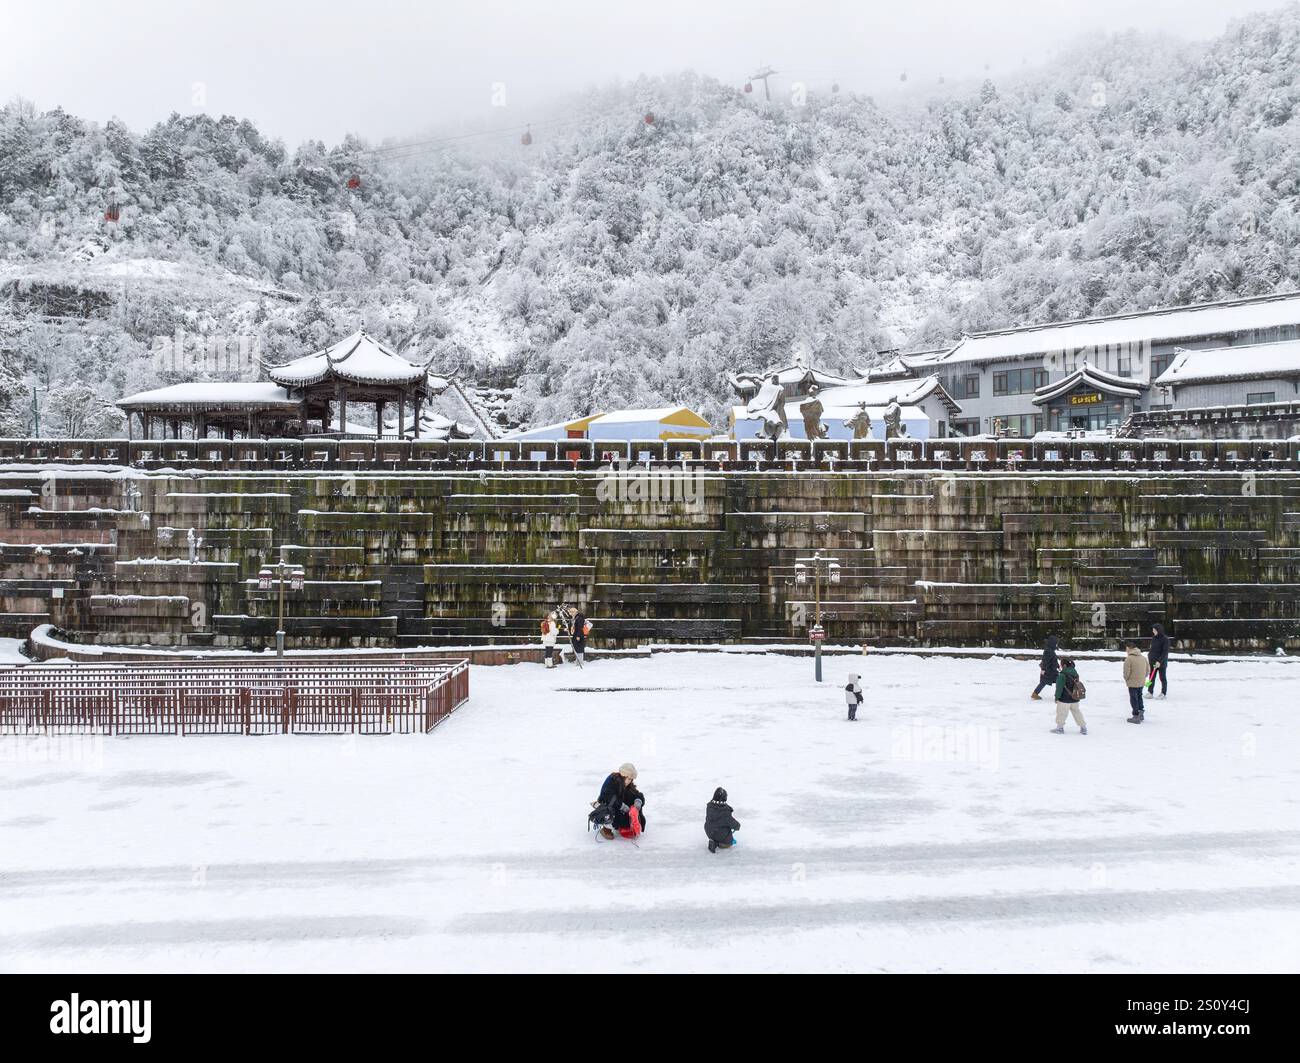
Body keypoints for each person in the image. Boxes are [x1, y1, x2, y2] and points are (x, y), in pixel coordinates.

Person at [589, 762, 645, 839]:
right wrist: (621, 805)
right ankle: (606, 828)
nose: (629, 781)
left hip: (619, 802)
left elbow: (636, 794)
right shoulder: (612, 780)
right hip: (607, 803)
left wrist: (638, 801)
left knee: (632, 801)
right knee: (612, 812)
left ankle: (622, 824)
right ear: (623, 775)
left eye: (631, 779)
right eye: (628, 778)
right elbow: (607, 797)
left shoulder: (628, 784)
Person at [1051, 656, 1087, 735]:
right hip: (1075, 697)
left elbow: (1059, 688)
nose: (1060, 666)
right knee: (1077, 712)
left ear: (1064, 665)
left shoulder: (1062, 675)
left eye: (1061, 664)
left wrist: (1057, 697)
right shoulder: (1075, 672)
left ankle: (1060, 728)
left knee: (1062, 713)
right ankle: (1083, 728)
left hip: (1064, 699)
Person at [704, 787, 741, 853]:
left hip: (709, 832)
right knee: (727, 837)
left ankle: (714, 840)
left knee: (716, 826)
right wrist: (738, 826)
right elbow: (733, 823)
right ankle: (719, 843)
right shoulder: (724, 811)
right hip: (721, 835)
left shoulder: (709, 807)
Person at [1123, 640, 1147, 724]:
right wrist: (1143, 677)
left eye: (1126, 648)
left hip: (1132, 682)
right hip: (1141, 682)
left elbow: (1126, 672)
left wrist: (1127, 679)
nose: (1126, 650)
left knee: (1134, 699)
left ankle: (1135, 715)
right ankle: (1141, 713)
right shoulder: (1143, 658)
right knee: (1139, 696)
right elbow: (1148, 670)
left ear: (1129, 648)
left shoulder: (1129, 659)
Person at [1031, 635, 1060, 700]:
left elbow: (1053, 660)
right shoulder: (1049, 651)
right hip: (1050, 670)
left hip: (1050, 670)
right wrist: (1044, 669)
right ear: (1053, 643)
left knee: (1044, 682)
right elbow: (1046, 661)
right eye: (1056, 643)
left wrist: (1057, 665)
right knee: (1059, 680)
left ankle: (1035, 694)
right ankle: (1057, 697)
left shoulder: (1050, 650)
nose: (1057, 644)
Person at [1147, 623, 1169, 699]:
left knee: (1162, 678)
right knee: (1151, 677)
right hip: (1152, 662)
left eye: (1154, 630)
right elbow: (1152, 649)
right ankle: (1150, 692)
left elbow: (1165, 652)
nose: (1153, 631)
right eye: (1153, 630)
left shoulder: (1165, 639)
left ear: (1158, 630)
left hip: (1161, 663)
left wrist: (1159, 661)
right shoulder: (1154, 638)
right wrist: (1149, 657)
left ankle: (1163, 693)